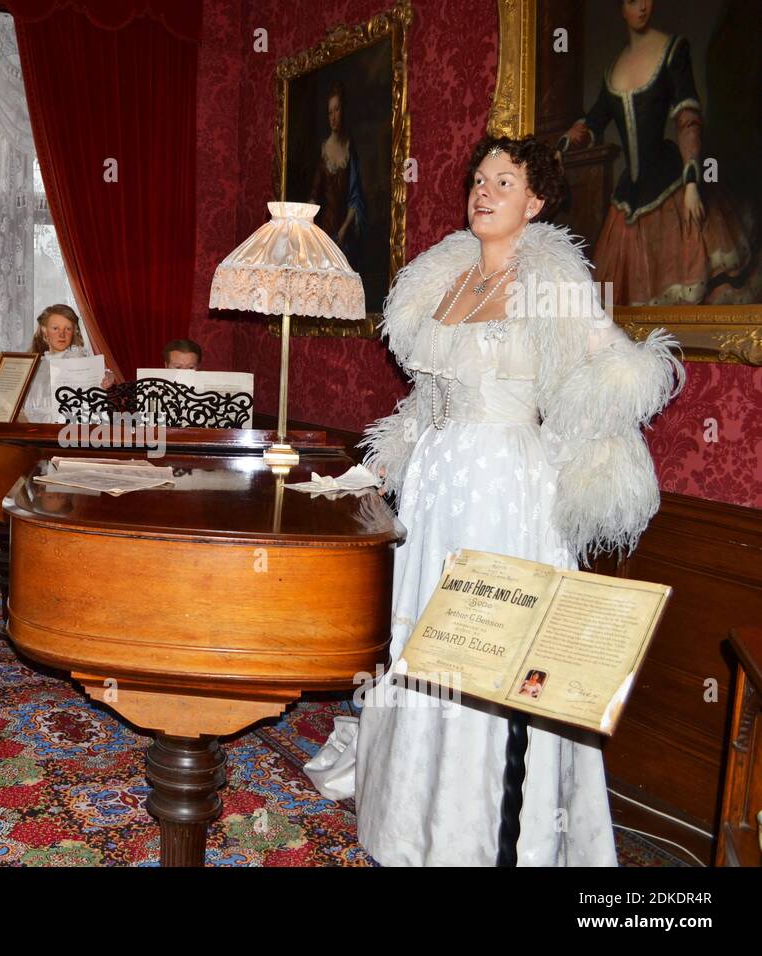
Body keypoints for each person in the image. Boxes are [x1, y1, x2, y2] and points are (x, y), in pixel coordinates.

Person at [304, 136, 683, 866]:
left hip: (508, 491)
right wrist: (376, 467)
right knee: (424, 642)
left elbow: (617, 365)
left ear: (535, 201)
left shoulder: (552, 284)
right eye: (479, 179)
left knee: (493, 651)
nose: (484, 191)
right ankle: (411, 823)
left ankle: (493, 834)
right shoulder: (442, 281)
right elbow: (428, 400)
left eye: (503, 182)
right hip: (436, 489)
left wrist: (588, 429)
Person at [558, 0, 758, 305]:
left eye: (646, 0)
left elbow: (687, 119)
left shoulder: (672, 50)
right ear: (621, 9)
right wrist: (565, 145)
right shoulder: (612, 69)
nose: (641, 7)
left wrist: (691, 182)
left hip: (673, 184)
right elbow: (594, 122)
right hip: (630, 198)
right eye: (632, 1)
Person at [19, 304, 113, 422]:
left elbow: (99, 379)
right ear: (44, 330)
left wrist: (108, 377)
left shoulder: (80, 360)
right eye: (55, 328)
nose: (62, 335)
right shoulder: (34, 364)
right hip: (34, 430)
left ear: (74, 331)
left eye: (68, 329)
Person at [308, 80, 366, 269]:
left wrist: (343, 230)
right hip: (325, 230)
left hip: (345, 233)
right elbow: (315, 195)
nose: (333, 117)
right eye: (329, 112)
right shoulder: (324, 150)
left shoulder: (350, 148)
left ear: (344, 111)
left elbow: (355, 196)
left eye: (337, 110)